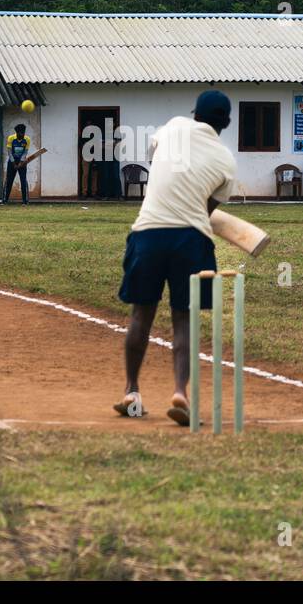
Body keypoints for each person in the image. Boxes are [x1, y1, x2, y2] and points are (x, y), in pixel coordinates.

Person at [116, 90, 237, 426]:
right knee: (184, 319)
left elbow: (160, 164)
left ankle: (131, 391)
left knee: (142, 314)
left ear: (193, 113)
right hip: (191, 239)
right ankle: (180, 392)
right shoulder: (226, 160)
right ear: (225, 123)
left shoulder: (172, 128)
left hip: (148, 231)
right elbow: (205, 211)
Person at [3, 123, 32, 204]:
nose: (22, 134)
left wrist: (21, 163)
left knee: (23, 180)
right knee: (9, 181)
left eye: (23, 133)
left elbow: (25, 152)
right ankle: (5, 200)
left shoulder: (27, 139)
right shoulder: (11, 138)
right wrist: (14, 164)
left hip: (22, 162)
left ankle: (25, 201)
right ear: (17, 132)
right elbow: (9, 152)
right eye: (20, 133)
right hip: (12, 161)